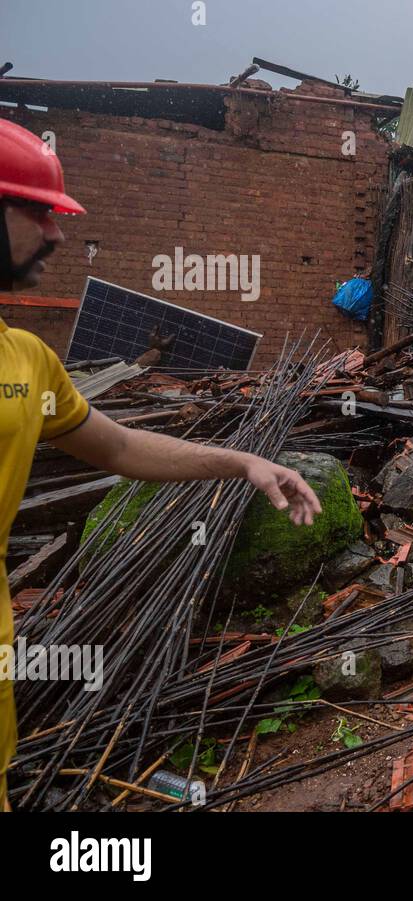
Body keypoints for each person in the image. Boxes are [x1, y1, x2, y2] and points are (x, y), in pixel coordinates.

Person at [0, 119, 322, 809]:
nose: (57, 236)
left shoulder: (27, 358)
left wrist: (241, 462)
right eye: (36, 211)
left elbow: (118, 447)